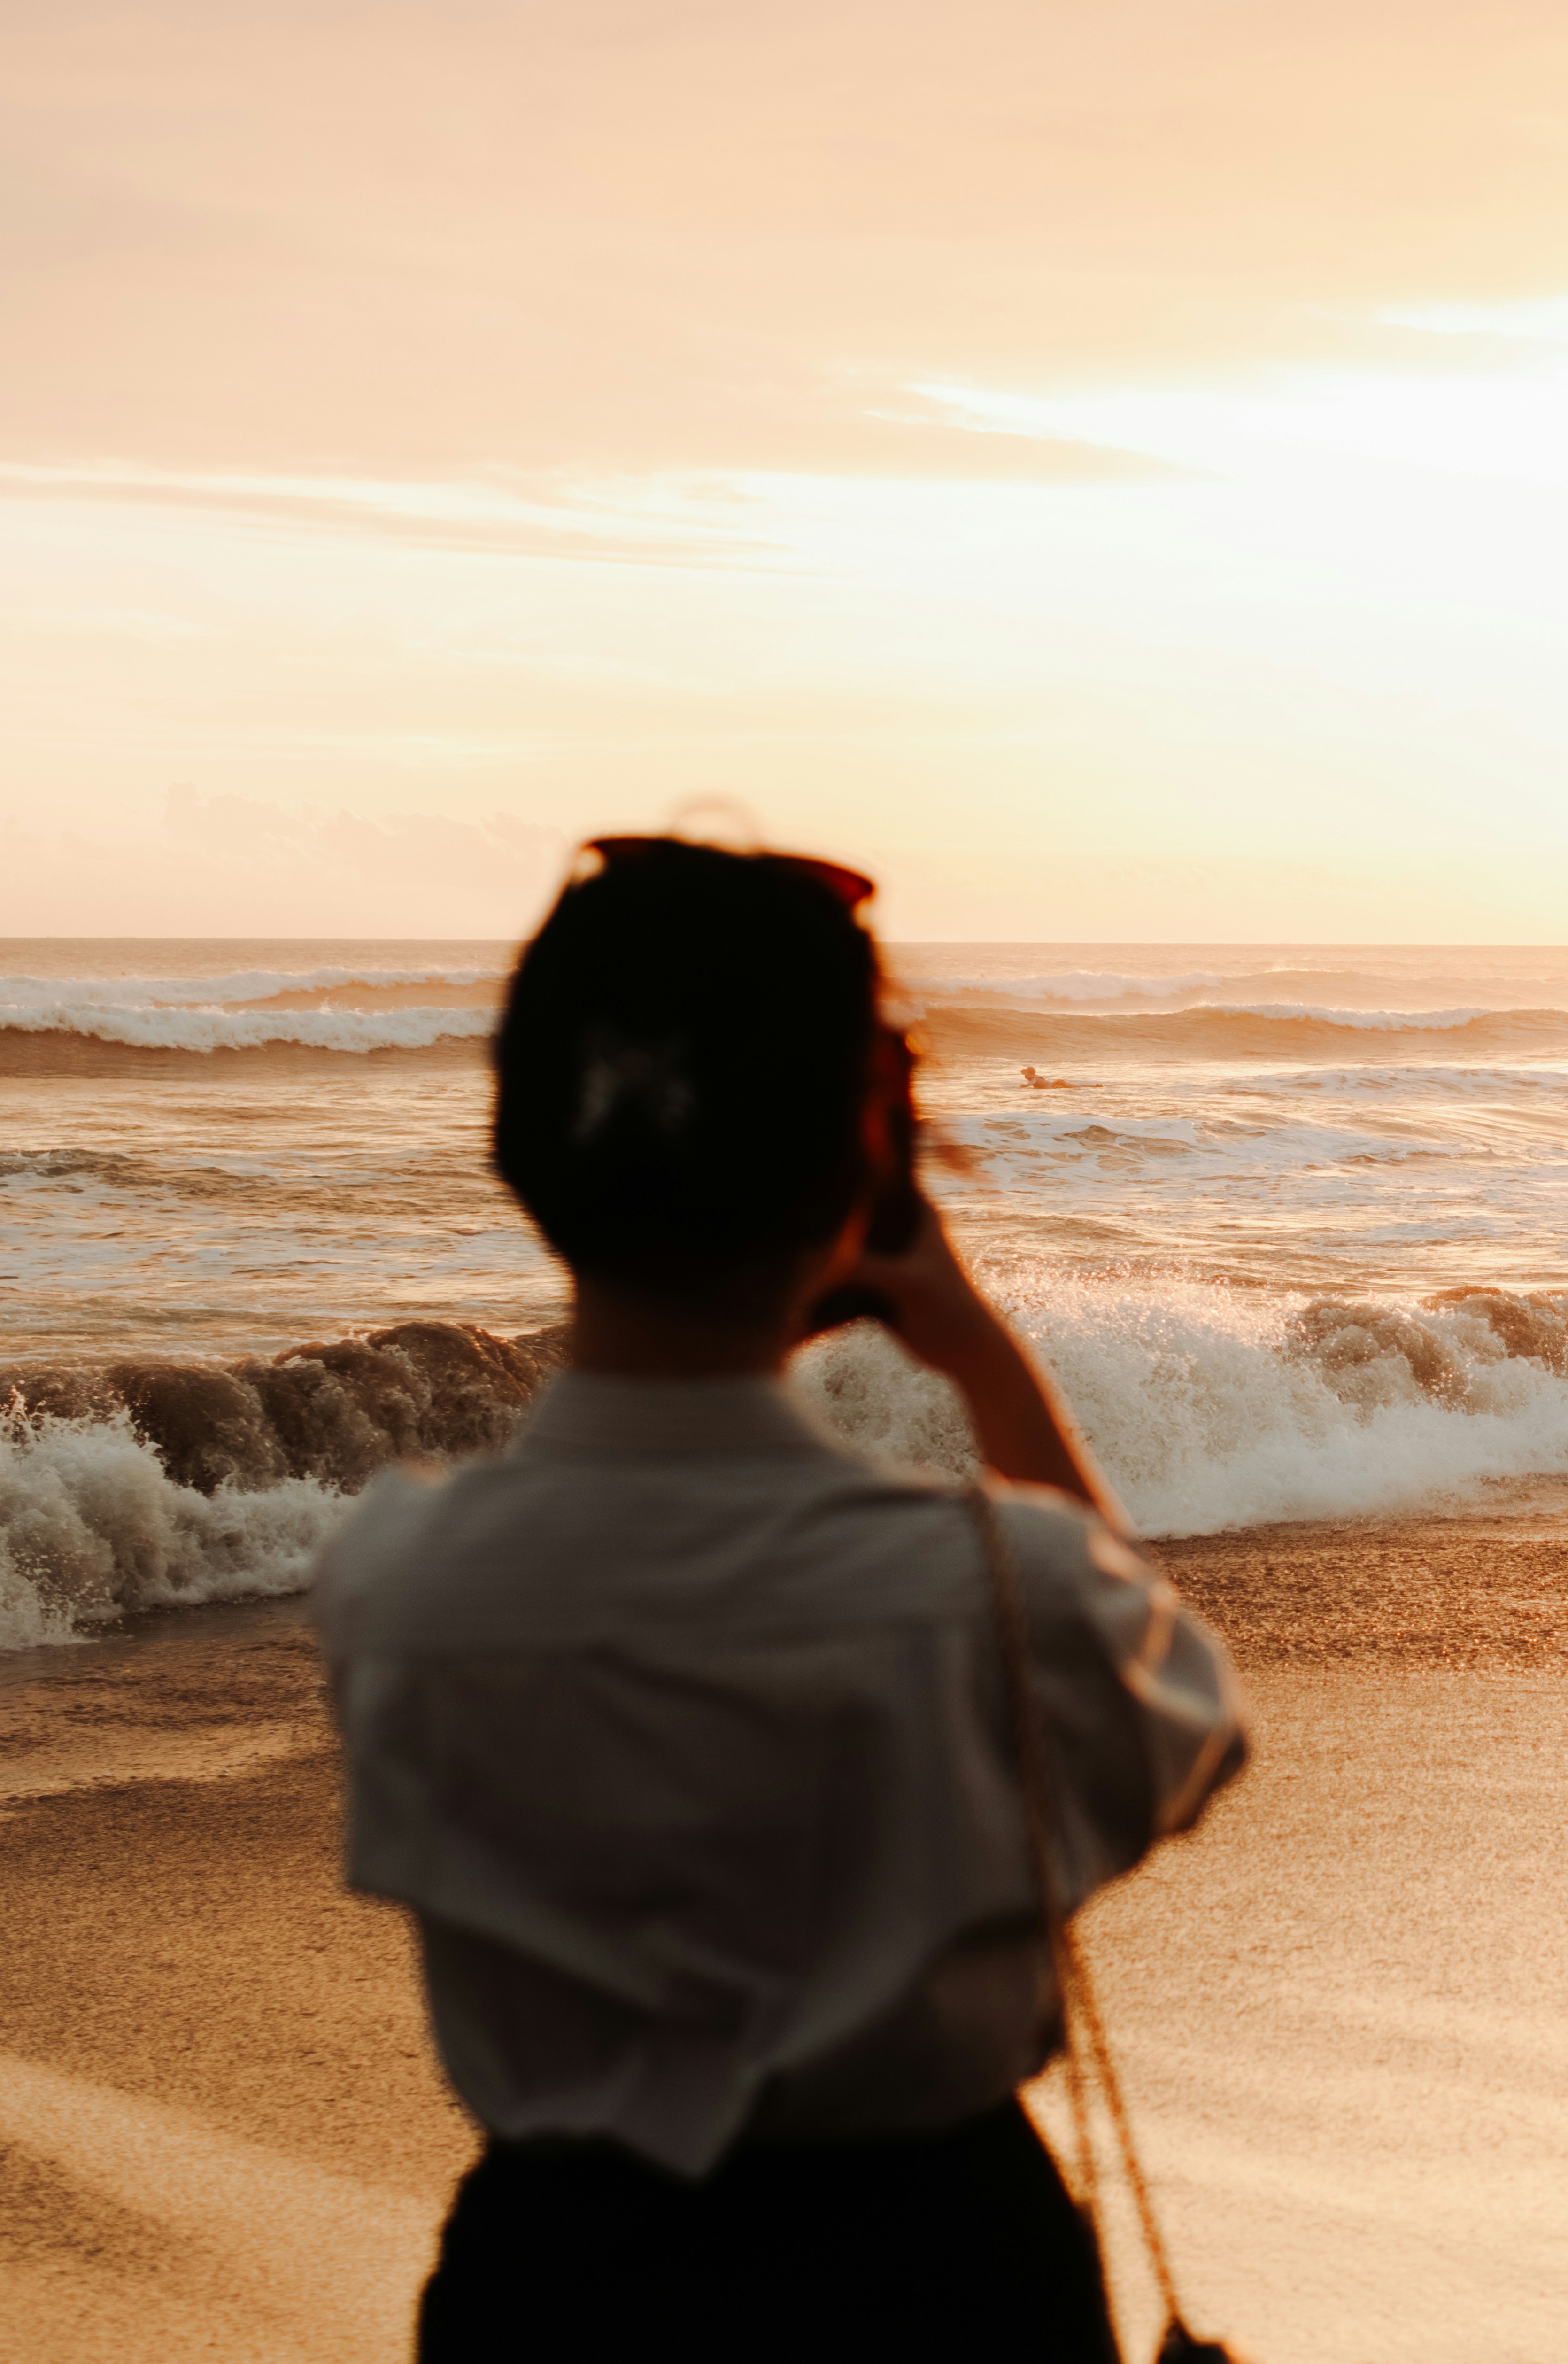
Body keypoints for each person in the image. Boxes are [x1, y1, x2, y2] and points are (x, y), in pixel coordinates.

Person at [315, 836, 1246, 2362]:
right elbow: (1169, 1729)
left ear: (525, 1150)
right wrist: (978, 1351)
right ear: (862, 1162)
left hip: (552, 2290)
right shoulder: (993, 1589)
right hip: (934, 2282)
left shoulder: (394, 1583)